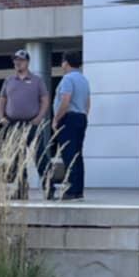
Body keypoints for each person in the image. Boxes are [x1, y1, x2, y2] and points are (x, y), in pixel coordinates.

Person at [0, 48, 51, 196]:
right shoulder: (9, 81)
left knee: (40, 156)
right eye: (15, 60)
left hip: (31, 124)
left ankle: (49, 188)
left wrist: (39, 117)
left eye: (20, 60)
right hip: (13, 125)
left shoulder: (37, 81)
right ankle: (21, 190)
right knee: (15, 158)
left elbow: (45, 100)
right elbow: (2, 101)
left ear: (27, 62)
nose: (17, 63)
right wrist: (2, 117)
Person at [52, 48, 90, 201]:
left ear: (65, 63)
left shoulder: (67, 79)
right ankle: (78, 189)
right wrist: (83, 115)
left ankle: (72, 190)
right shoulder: (83, 79)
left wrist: (56, 119)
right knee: (78, 154)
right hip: (81, 117)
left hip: (69, 119)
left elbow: (65, 100)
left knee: (69, 155)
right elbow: (88, 103)